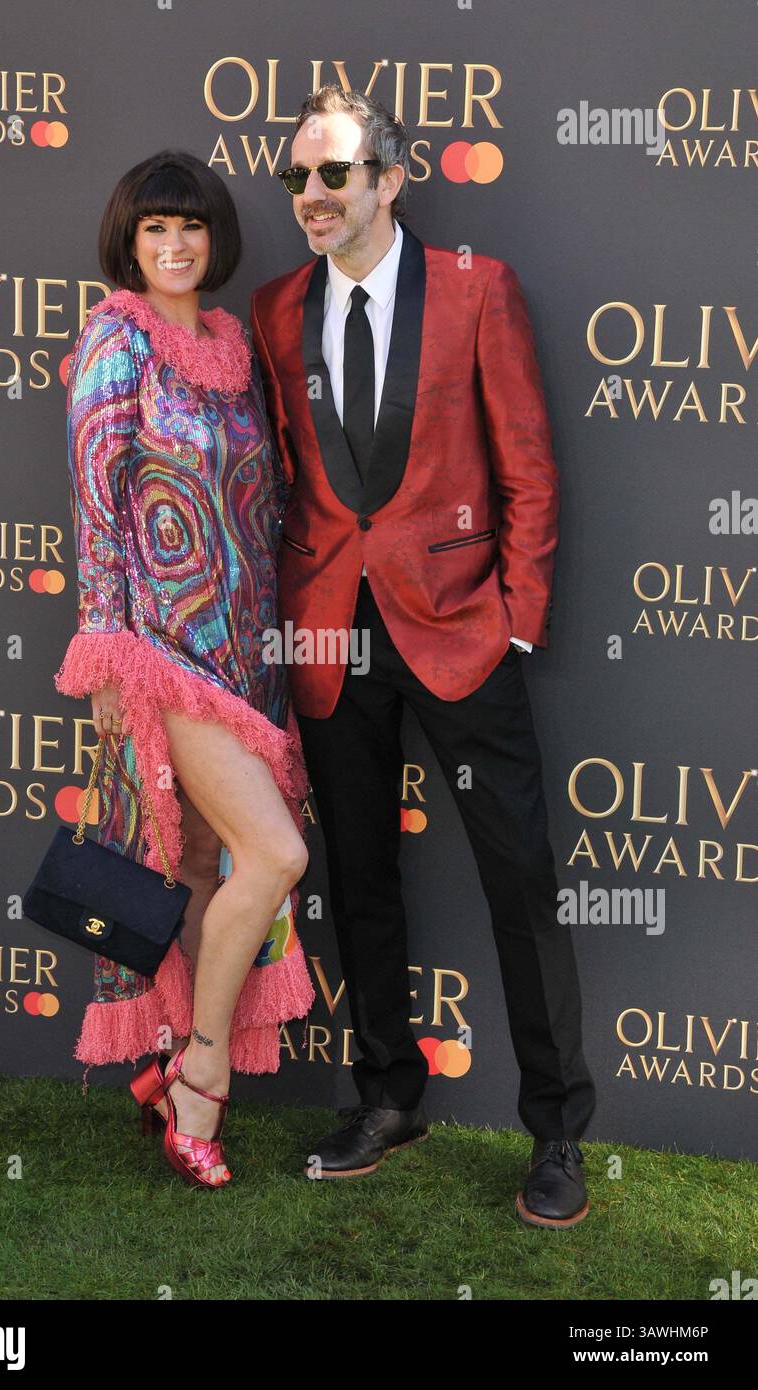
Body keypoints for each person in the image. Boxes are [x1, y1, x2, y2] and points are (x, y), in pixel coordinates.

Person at [250, 86, 596, 1226]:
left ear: (388, 181)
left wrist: (518, 616)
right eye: (298, 176)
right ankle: (386, 1094)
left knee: (519, 881)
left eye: (333, 174)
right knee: (358, 879)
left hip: (458, 625)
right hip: (327, 629)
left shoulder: (473, 290)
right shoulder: (274, 307)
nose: (311, 195)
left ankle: (553, 1129)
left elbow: (528, 471)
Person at [54, 150, 313, 1188]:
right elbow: (96, 499)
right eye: (155, 227)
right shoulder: (116, 336)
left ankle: (171, 1060)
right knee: (277, 856)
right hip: (162, 659)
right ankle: (201, 1078)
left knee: (204, 871)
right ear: (130, 239)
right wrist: (111, 655)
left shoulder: (234, 345)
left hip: (243, 657)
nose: (174, 245)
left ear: (215, 238)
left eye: (191, 226)